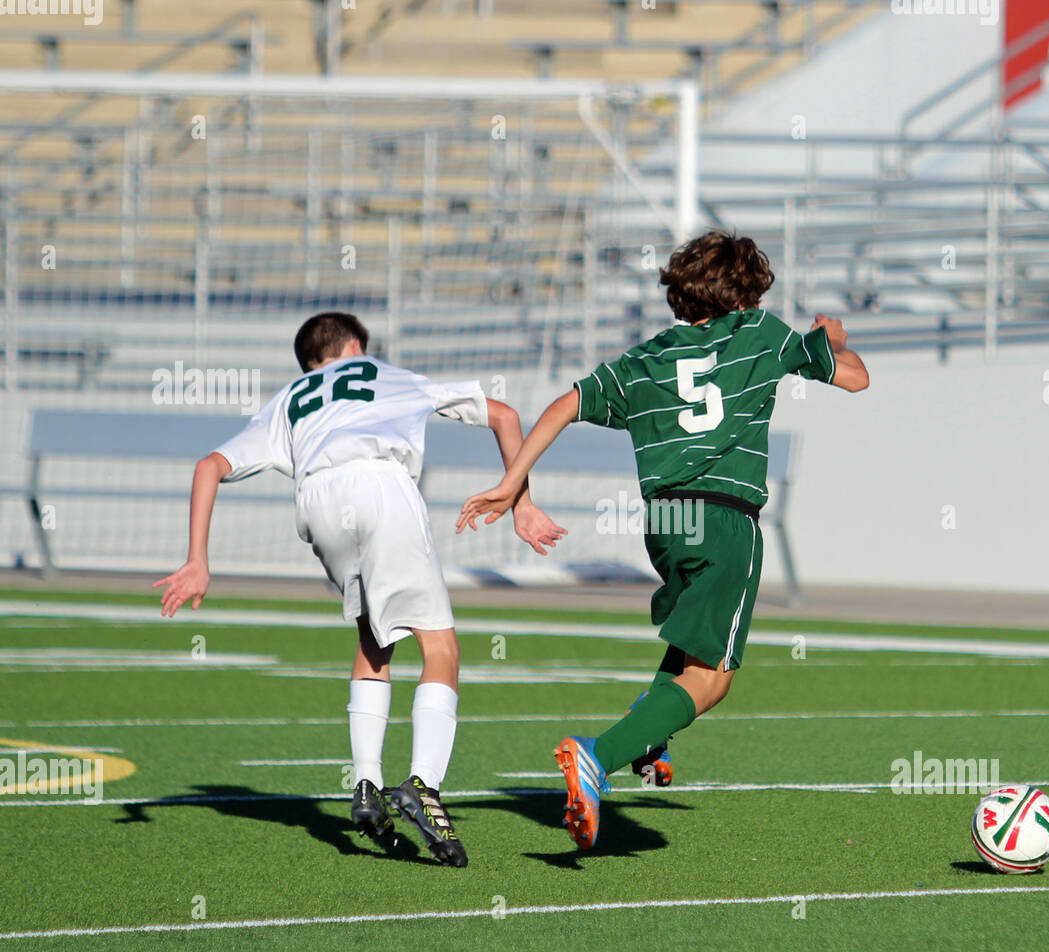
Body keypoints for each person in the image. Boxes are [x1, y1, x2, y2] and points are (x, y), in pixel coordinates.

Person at [457, 231, 868, 849]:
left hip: (666, 525)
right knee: (713, 679)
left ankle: (649, 736)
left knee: (691, 645)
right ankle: (598, 756)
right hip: (726, 519)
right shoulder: (761, 334)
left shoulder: (643, 359)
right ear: (749, 291)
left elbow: (562, 407)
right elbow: (857, 380)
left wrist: (513, 483)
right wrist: (834, 337)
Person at [154, 311, 565, 866]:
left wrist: (197, 560)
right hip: (379, 486)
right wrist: (523, 504)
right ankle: (424, 784)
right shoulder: (382, 372)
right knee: (440, 647)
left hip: (318, 503)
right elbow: (506, 415)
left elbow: (209, 465)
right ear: (354, 347)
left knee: (375, 640)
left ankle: (368, 784)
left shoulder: (287, 399)